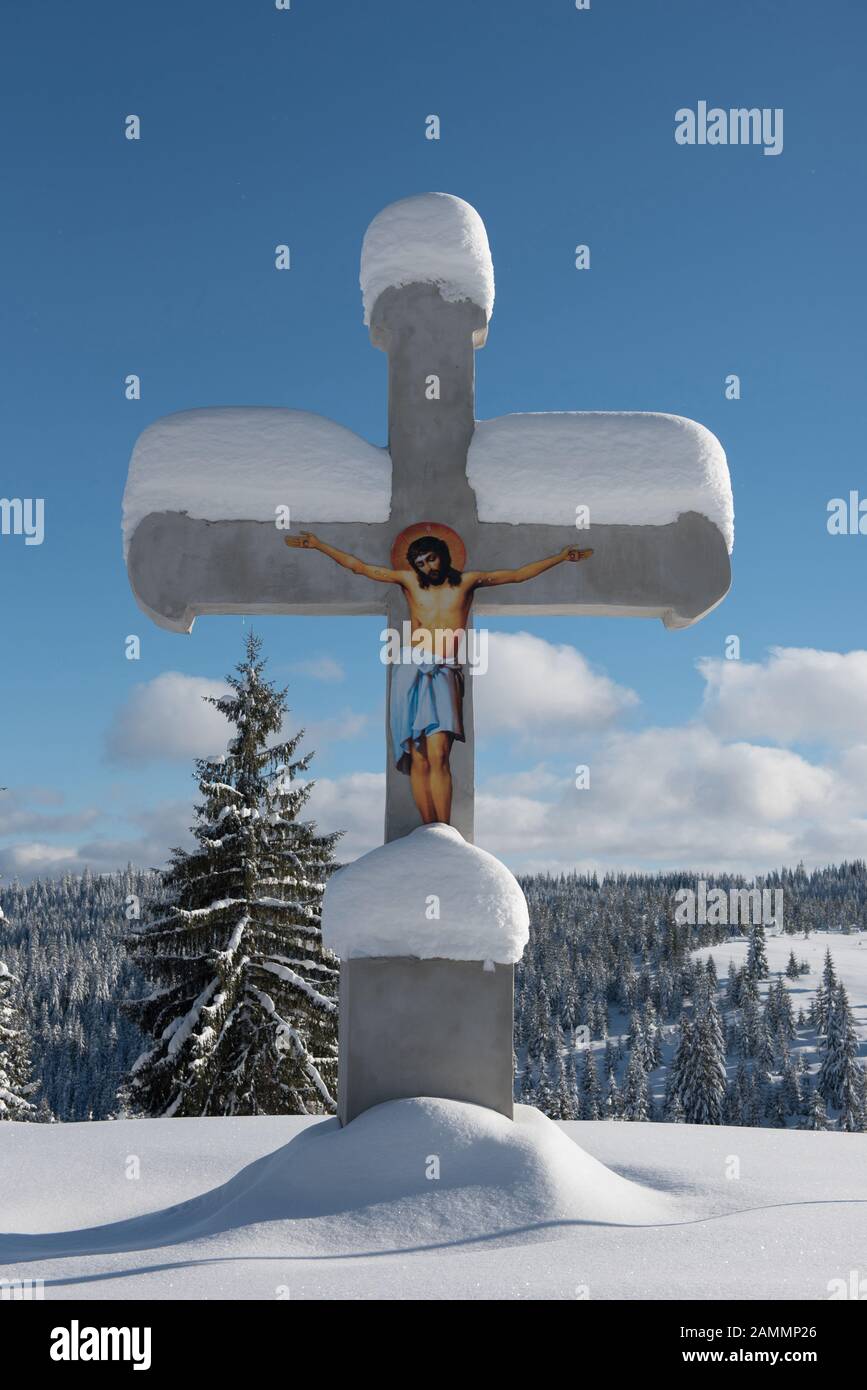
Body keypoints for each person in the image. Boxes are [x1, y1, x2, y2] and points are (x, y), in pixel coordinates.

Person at [285, 530, 592, 825]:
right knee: (417, 754)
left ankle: (443, 830)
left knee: (439, 752)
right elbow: (361, 568)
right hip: (409, 668)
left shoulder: (467, 582)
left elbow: (517, 574)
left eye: (431, 559)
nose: (427, 567)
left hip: (444, 670)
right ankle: (427, 830)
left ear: (443, 556)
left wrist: (561, 558)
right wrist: (317, 545)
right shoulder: (409, 582)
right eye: (420, 563)